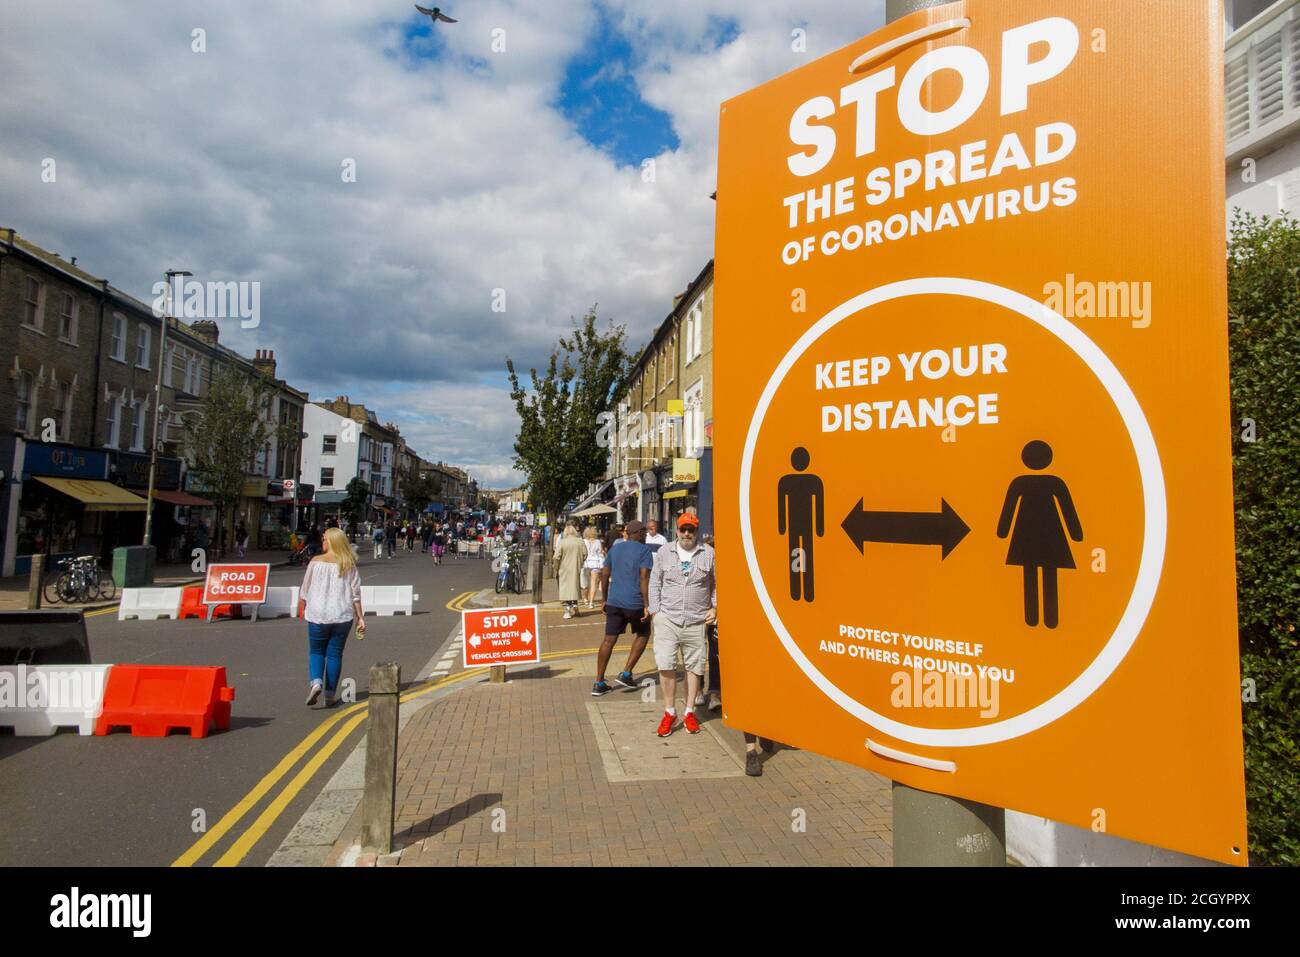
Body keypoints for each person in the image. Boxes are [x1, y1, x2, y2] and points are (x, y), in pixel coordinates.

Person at [646, 513, 716, 737]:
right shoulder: (665, 552)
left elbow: (717, 584)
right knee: (666, 665)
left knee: (694, 667)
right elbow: (654, 581)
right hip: (668, 618)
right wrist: (655, 612)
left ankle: (689, 712)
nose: (687, 534)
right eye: (683, 529)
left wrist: (715, 608)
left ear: (696, 531)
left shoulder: (709, 553)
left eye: (691, 530)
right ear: (676, 530)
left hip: (696, 620)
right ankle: (669, 711)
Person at [300, 527, 364, 707]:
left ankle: (316, 682)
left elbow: (305, 589)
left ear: (332, 541)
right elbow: (355, 595)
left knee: (316, 651)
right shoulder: (348, 563)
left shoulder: (315, 562)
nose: (322, 542)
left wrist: (303, 606)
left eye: (325, 539)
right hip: (342, 615)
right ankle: (329, 695)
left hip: (318, 614)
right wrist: (360, 617)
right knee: (335, 654)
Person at [592, 520, 654, 696]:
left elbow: (604, 574)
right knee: (643, 634)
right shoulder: (644, 551)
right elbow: (644, 577)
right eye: (644, 533)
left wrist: (604, 599)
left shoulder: (615, 548)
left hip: (614, 602)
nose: (645, 536)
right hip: (635, 603)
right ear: (639, 533)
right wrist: (647, 604)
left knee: (608, 640)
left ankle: (598, 682)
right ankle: (626, 673)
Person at [556, 524, 586, 619]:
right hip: (576, 567)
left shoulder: (562, 542)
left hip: (564, 568)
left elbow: (556, 556)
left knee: (566, 590)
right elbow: (585, 554)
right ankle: (576, 608)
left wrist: (556, 567)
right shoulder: (580, 541)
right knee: (575, 587)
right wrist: (580, 562)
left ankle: (567, 611)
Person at [582, 525, 605, 609]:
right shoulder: (598, 542)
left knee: (585, 583)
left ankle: (585, 599)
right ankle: (591, 602)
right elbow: (600, 553)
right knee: (593, 583)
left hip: (585, 563)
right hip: (595, 563)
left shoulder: (583, 541)